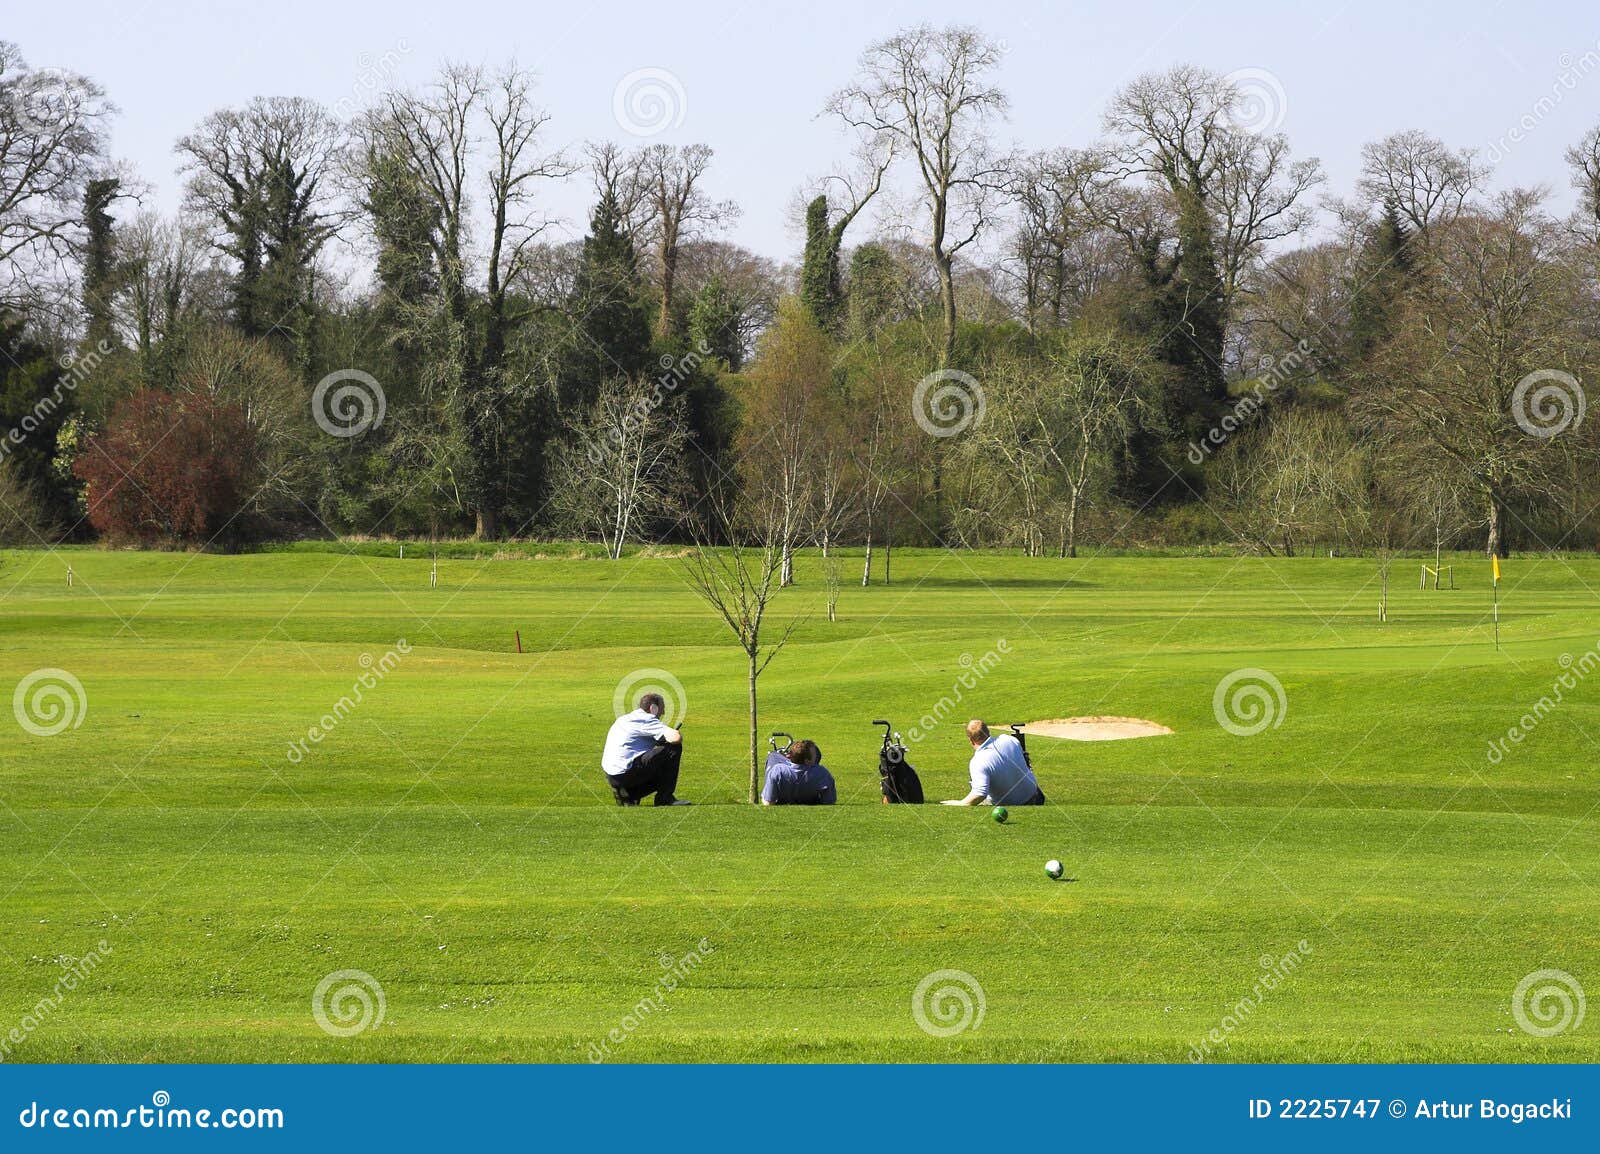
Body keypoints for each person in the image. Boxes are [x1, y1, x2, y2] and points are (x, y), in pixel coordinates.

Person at [601, 692, 689, 806]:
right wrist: (674, 732)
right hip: (626, 773)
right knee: (673, 748)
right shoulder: (647, 719)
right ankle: (665, 798)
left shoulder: (624, 719)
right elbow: (675, 738)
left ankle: (628, 795)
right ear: (653, 708)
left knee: (660, 764)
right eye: (662, 708)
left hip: (612, 776)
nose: (663, 712)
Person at [941, 719, 1045, 806]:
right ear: (988, 732)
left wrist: (960, 803)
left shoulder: (978, 761)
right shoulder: (1010, 740)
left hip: (1011, 804)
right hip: (1037, 796)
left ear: (971, 740)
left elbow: (979, 794)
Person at [760, 739, 837, 806]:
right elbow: (829, 801)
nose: (816, 756)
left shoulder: (778, 771)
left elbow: (768, 802)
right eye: (814, 754)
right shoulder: (821, 773)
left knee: (773, 757)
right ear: (807, 761)